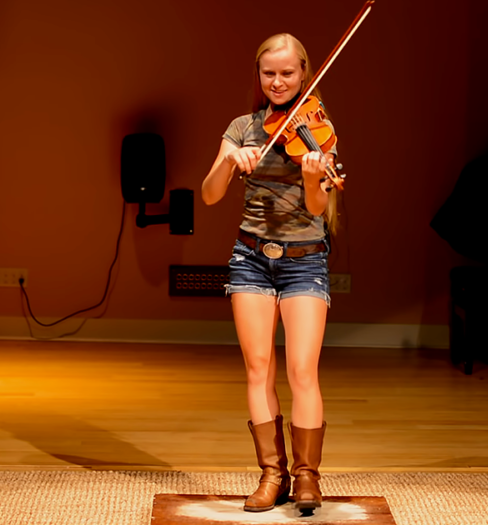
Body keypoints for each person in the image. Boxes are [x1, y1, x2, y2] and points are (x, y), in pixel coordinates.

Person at [201, 33, 340, 513]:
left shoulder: (316, 129)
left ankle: (307, 477)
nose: (277, 82)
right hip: (251, 258)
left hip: (305, 260)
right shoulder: (243, 127)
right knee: (258, 367)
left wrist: (312, 178)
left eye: (287, 73)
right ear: (258, 76)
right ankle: (272, 474)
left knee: (302, 369)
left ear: (304, 74)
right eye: (269, 73)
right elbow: (210, 195)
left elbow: (318, 206)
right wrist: (229, 161)